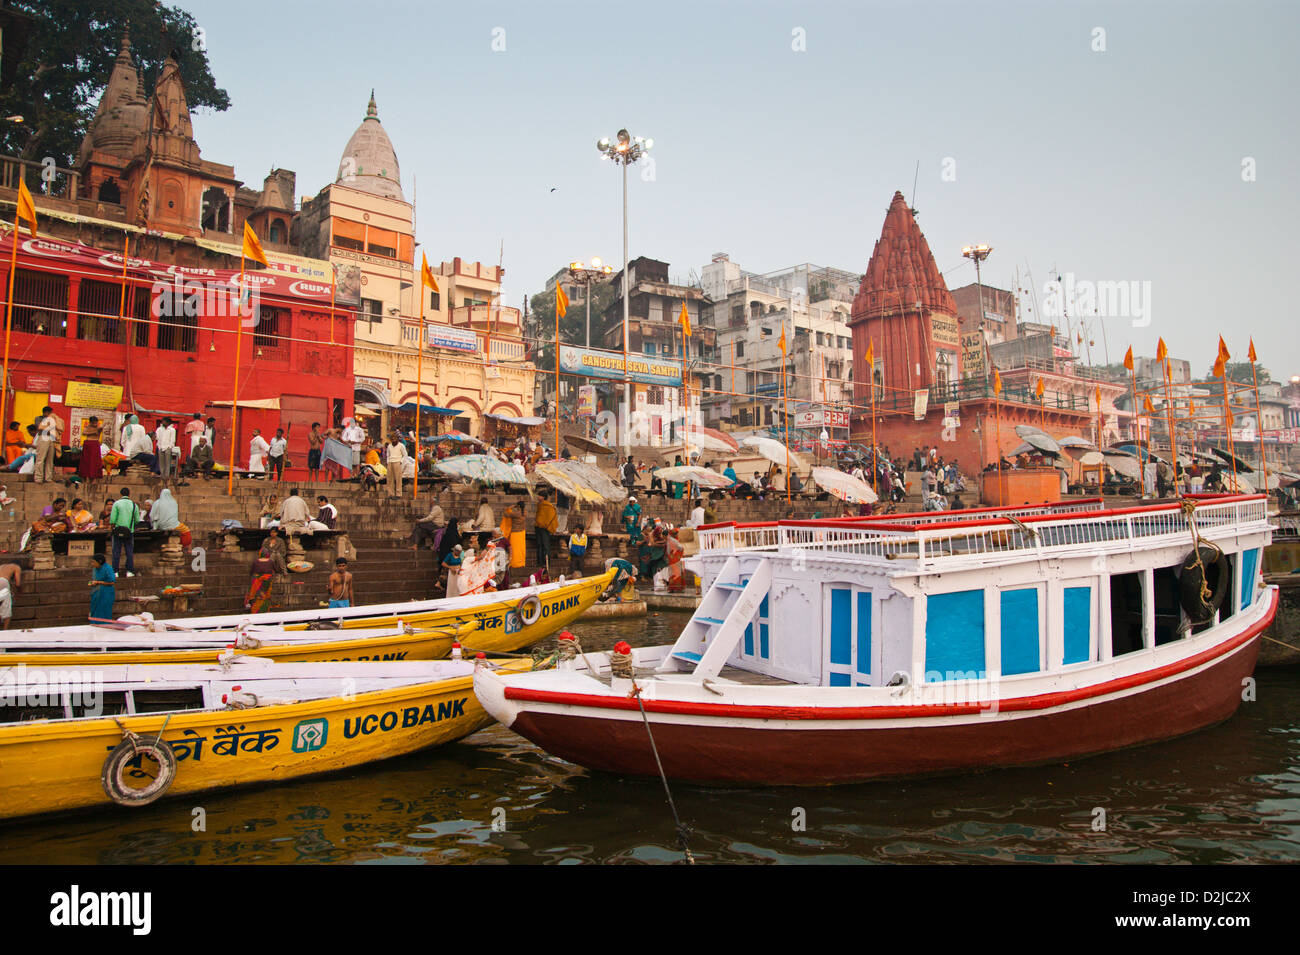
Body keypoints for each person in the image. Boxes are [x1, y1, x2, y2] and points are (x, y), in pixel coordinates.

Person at [109, 487, 140, 578]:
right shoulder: (134, 505)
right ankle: (129, 571)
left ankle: (115, 571)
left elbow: (112, 519)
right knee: (129, 552)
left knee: (116, 551)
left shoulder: (117, 504)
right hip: (129, 531)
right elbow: (137, 520)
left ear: (121, 494)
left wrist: (112, 527)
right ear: (129, 494)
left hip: (118, 530)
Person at [33, 405, 63, 484]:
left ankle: (48, 478)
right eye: (49, 413)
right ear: (45, 412)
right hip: (43, 437)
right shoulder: (39, 419)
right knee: (40, 458)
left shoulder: (53, 419)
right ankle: (38, 478)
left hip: (52, 438)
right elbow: (39, 428)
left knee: (50, 459)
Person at [245, 545, 277, 613]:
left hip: (257, 581)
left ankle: (255, 611)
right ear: (267, 554)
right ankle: (265, 610)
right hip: (267, 580)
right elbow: (274, 570)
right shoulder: (271, 561)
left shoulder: (256, 562)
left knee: (257, 596)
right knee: (265, 596)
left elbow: (251, 572)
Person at [88, 553, 116, 623]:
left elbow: (112, 582)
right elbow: (94, 579)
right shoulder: (95, 569)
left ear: (99, 562)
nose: (92, 564)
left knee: (104, 610)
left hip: (106, 593)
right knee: (94, 610)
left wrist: (98, 582)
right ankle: (94, 622)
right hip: (96, 593)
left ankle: (105, 624)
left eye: (93, 562)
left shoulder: (108, 568)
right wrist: (92, 583)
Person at [535, 490, 558, 571]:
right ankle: (540, 562)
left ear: (543, 497)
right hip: (538, 527)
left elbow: (551, 517)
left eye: (539, 496)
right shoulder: (539, 505)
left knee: (545, 545)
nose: (538, 497)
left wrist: (546, 525)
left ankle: (546, 563)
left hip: (545, 528)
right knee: (539, 545)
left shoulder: (549, 506)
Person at [78, 415, 104, 482]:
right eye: (93, 422)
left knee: (94, 462)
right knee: (86, 461)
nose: (95, 424)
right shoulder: (87, 427)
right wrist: (93, 432)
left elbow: (100, 428)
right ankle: (85, 477)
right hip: (87, 444)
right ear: (90, 422)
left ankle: (94, 478)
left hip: (95, 444)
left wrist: (96, 430)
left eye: (96, 422)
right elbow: (84, 433)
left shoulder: (99, 427)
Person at [155, 417, 178, 481]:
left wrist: (169, 447)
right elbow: (157, 438)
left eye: (164, 421)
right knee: (161, 462)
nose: (162, 422)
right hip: (160, 446)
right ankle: (162, 475)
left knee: (167, 462)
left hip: (168, 447)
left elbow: (173, 440)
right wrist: (159, 446)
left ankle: (167, 475)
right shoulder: (159, 429)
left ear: (167, 422)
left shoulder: (172, 430)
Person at [0, 562, 20, 628]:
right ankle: (5, 630)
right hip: (3, 582)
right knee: (7, 608)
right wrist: (18, 593)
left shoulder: (2, 566)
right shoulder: (16, 567)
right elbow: (18, 584)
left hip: (3, 582)